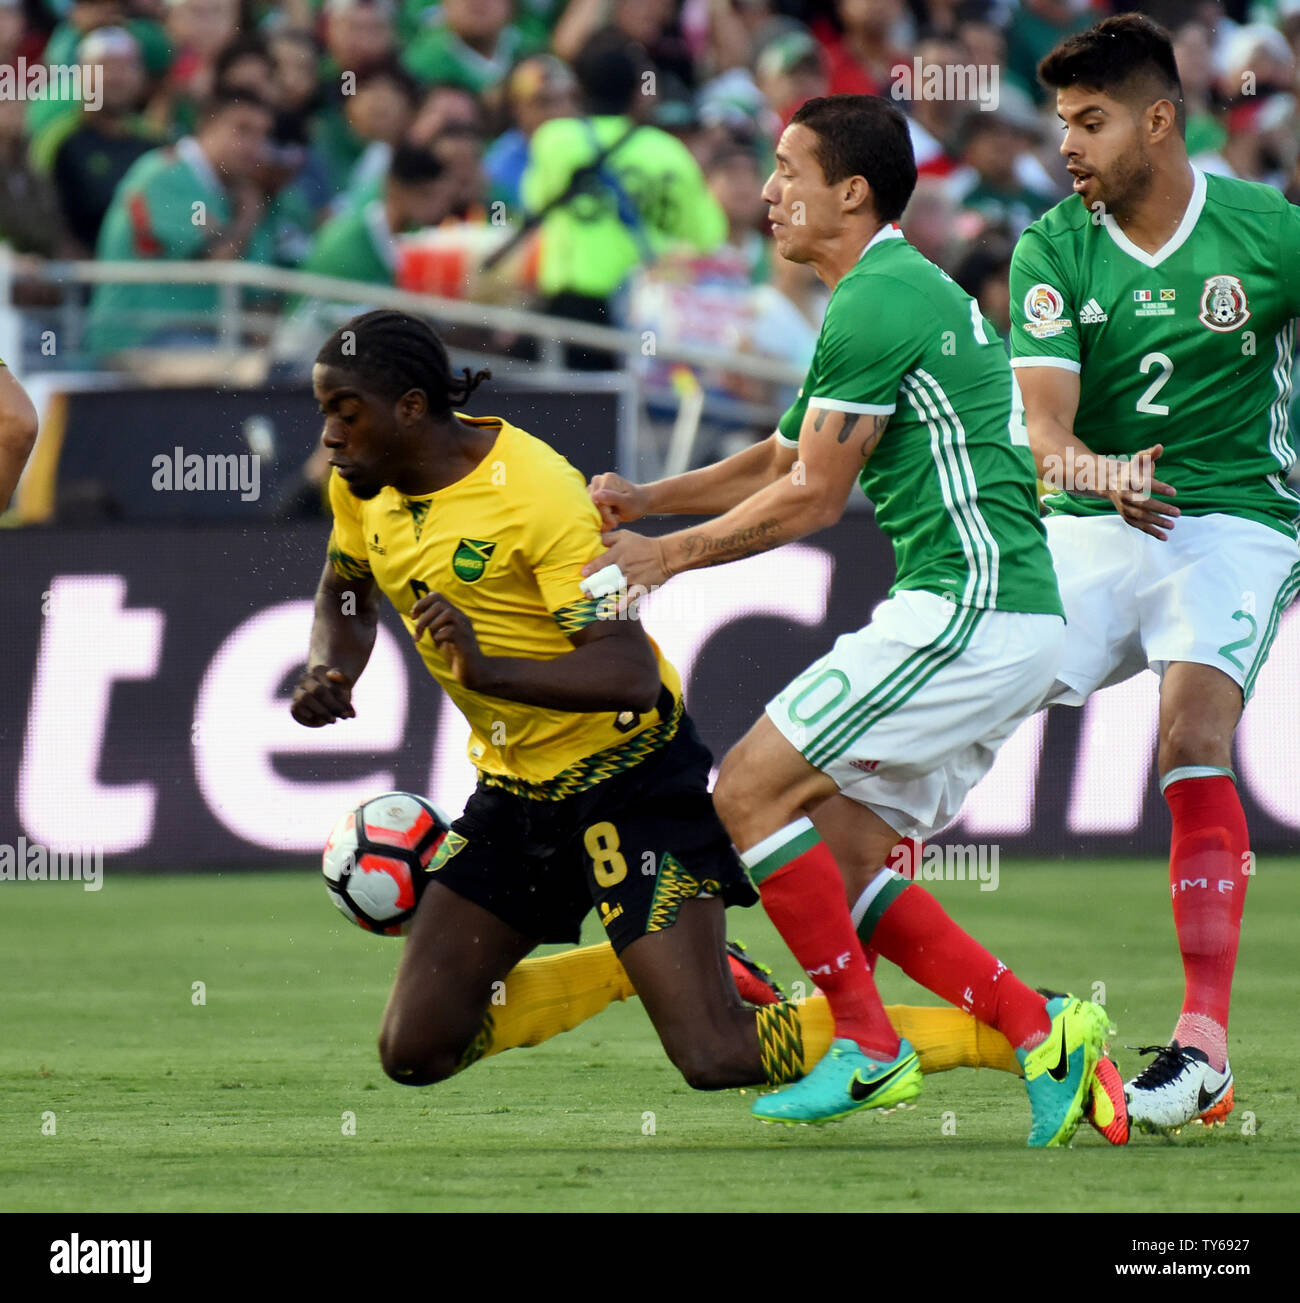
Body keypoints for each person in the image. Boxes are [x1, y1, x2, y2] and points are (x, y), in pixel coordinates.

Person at [288, 308, 1080, 1122]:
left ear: (411, 407)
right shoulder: (364, 490)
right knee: (414, 1050)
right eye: (324, 414)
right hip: (517, 795)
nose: (329, 436)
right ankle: (625, 965)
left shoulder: (535, 495)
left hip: (632, 782)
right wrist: (332, 667)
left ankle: (1024, 1033)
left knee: (716, 1053)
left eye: (343, 412)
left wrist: (491, 668)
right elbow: (346, 589)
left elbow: (629, 675)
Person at [582, 94, 1118, 1147]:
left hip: (968, 603)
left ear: (853, 190)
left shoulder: (877, 300)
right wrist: (652, 498)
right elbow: (783, 456)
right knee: (843, 842)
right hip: (1002, 612)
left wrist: (664, 559)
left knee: (746, 787)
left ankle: (869, 1047)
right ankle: (1040, 1027)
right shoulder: (882, 294)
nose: (769, 191)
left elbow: (814, 500)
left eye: (788, 169)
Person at [1010, 13, 1300, 1131]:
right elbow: (1044, 435)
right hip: (1094, 511)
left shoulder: (1266, 233)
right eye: (1061, 125)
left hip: (1236, 519)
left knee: (1188, 732)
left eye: (1090, 122)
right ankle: (869, 1008)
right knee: (959, 692)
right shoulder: (1052, 247)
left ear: (1159, 121)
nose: (1068, 147)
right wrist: (1093, 472)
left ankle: (1202, 1050)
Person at [520, 27, 726, 368]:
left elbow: (534, 203)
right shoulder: (670, 153)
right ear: (638, 92)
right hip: (642, 317)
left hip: (570, 311)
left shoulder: (553, 140)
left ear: (578, 89)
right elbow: (708, 236)